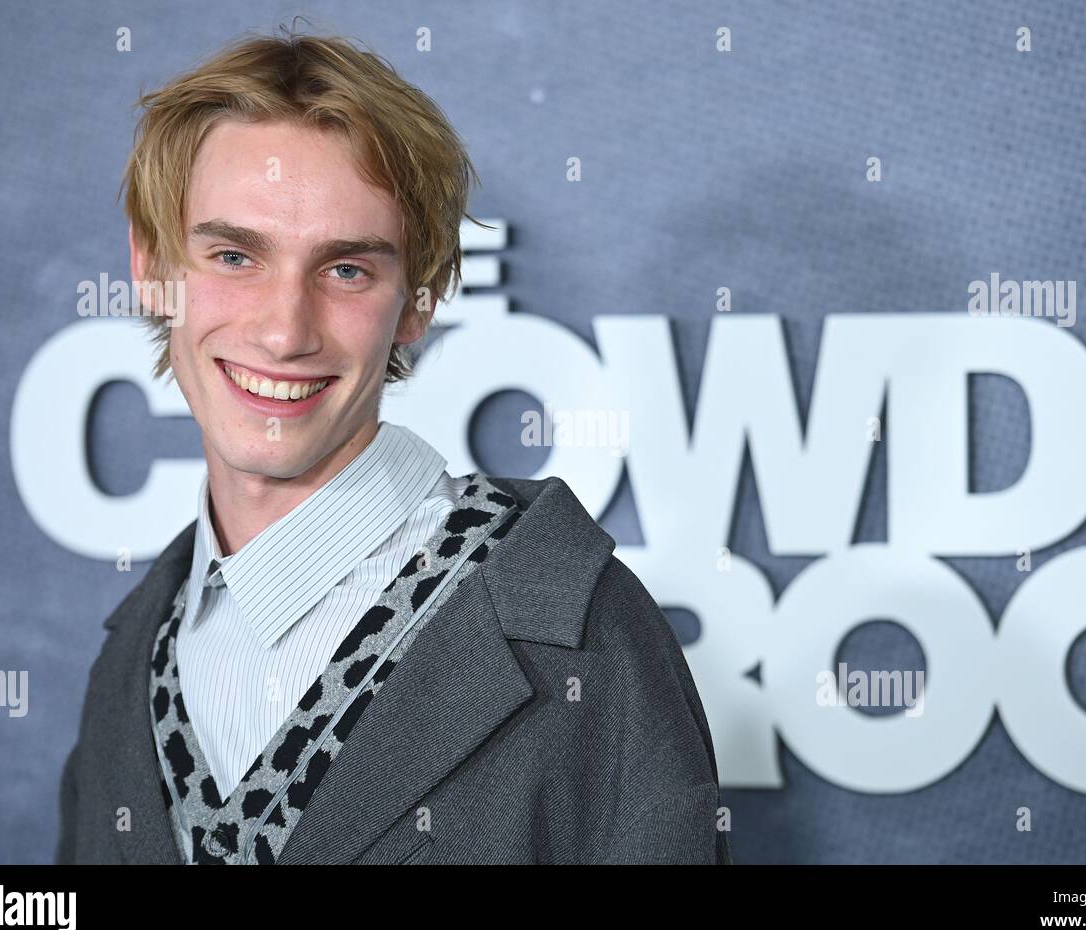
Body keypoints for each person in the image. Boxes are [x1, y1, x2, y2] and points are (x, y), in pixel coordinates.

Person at [55, 28, 731, 864]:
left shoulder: (584, 634)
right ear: (152, 264)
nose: (283, 328)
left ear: (418, 300)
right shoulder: (130, 662)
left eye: (345, 270)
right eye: (234, 255)